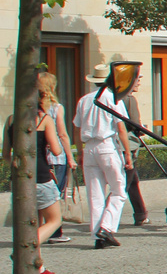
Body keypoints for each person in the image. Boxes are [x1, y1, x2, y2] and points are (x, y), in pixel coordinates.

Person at [6, 79, 71, 269]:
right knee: (54, 220)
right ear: (41, 98)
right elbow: (57, 151)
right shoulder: (44, 119)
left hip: (19, 179)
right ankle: (22, 250)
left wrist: (17, 166)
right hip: (42, 176)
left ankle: (38, 265)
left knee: (32, 222)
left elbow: (5, 154)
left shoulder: (11, 119)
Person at [75, 63, 134, 248]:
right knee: (118, 190)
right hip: (107, 146)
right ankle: (106, 227)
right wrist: (127, 153)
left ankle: (97, 235)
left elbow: (77, 127)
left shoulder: (84, 100)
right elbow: (121, 127)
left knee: (95, 195)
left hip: (89, 147)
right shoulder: (113, 98)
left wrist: (79, 152)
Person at [37, 72, 76, 243]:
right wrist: (70, 157)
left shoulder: (31, 110)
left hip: (39, 159)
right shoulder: (56, 107)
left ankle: (39, 232)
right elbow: (62, 134)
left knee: (39, 202)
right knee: (54, 197)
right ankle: (54, 232)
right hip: (55, 158)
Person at [117, 61, 150, 227]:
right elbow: (134, 123)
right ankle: (110, 217)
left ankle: (140, 213)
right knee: (124, 183)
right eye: (137, 79)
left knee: (133, 182)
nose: (138, 82)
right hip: (127, 146)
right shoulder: (129, 99)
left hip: (116, 145)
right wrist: (142, 129)